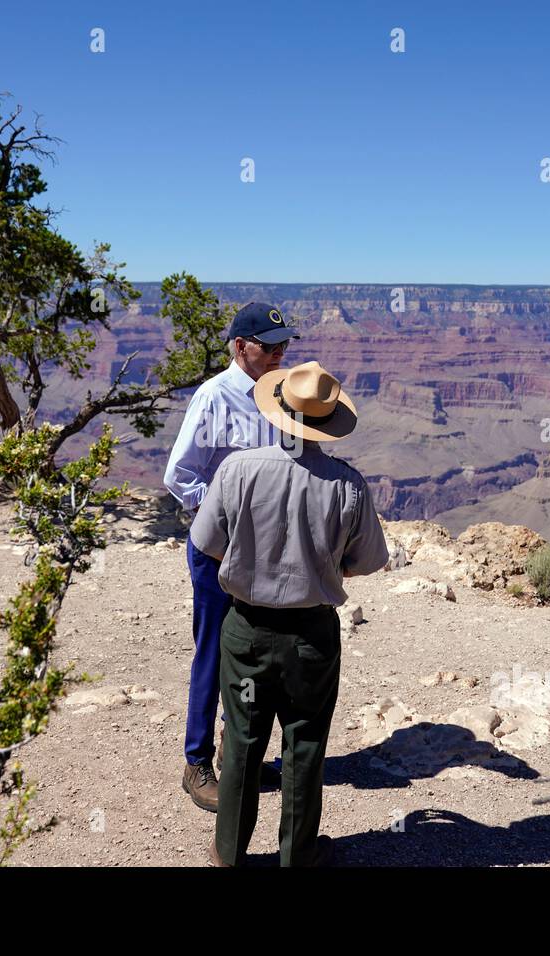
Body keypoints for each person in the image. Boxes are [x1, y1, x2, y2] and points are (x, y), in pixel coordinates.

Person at [189, 361, 389, 866]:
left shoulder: (237, 470)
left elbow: (206, 542)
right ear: (326, 424)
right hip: (310, 639)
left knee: (241, 739)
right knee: (304, 745)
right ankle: (296, 856)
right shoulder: (348, 485)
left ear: (279, 411)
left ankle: (229, 851)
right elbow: (367, 561)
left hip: (246, 632)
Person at [163, 302, 301, 812]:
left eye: (283, 344)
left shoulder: (280, 395)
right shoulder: (214, 398)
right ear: (240, 346)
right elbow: (179, 475)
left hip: (266, 549)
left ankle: (235, 751)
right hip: (218, 549)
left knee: (256, 651)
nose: (279, 352)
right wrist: (224, 513)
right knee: (214, 650)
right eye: (270, 345)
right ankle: (195, 761)